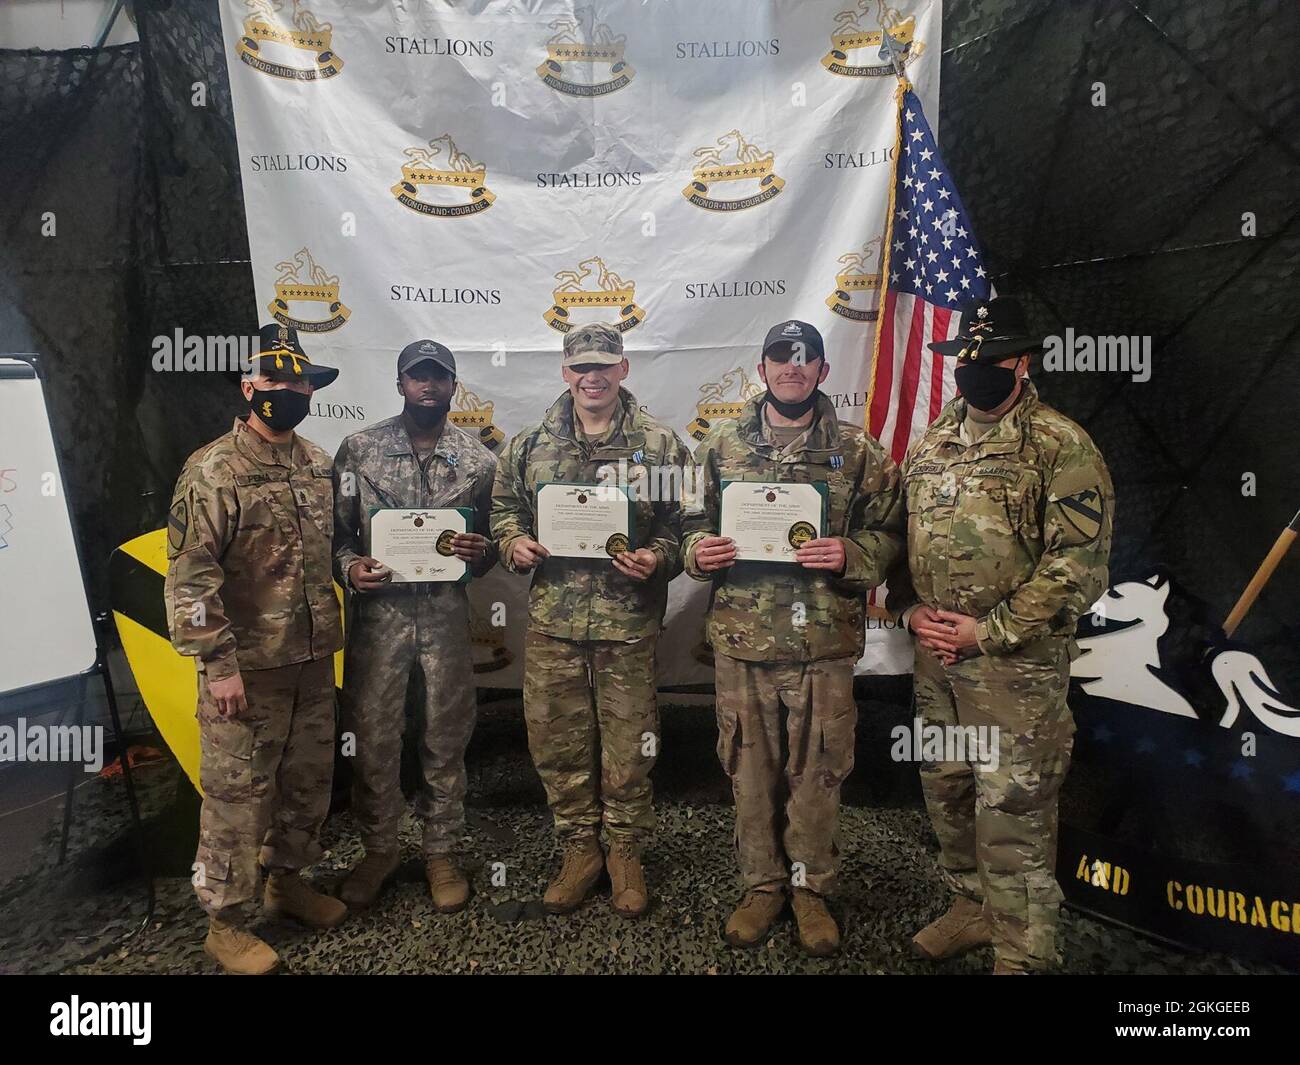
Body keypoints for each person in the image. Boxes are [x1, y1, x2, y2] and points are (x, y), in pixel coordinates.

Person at [892, 296, 1114, 974]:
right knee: (950, 788)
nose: (974, 371)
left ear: (1021, 363)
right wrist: (908, 610)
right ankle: (972, 906)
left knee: (1013, 807)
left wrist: (988, 631)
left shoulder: (1060, 445)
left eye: (991, 361)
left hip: (1014, 669)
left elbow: (1079, 568)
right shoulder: (933, 440)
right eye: (965, 360)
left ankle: (1023, 951)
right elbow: (903, 535)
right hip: (937, 662)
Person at [683, 319, 904, 956]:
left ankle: (810, 890)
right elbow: (689, 524)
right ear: (765, 368)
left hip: (822, 642)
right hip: (744, 640)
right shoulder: (721, 445)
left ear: (822, 372)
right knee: (749, 770)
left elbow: (890, 533)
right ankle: (761, 885)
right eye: (781, 359)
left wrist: (850, 553)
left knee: (819, 772)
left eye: (805, 360)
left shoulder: (858, 451)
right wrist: (703, 551)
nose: (793, 369)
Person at [490, 323, 692, 918]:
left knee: (631, 745)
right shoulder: (530, 444)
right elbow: (504, 511)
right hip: (554, 624)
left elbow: (688, 525)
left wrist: (659, 557)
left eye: (604, 365)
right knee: (557, 742)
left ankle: (626, 851)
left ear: (624, 369)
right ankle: (579, 848)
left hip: (626, 625)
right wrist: (514, 544)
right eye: (581, 367)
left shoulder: (657, 445)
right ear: (565, 372)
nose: (593, 377)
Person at [165, 323, 346, 975]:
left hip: (310, 659)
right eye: (273, 380)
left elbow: (333, 553)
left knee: (308, 782)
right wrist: (216, 664)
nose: (287, 390)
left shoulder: (318, 463)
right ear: (249, 386)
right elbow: (190, 574)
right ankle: (225, 921)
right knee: (239, 794)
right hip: (245, 669)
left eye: (297, 381)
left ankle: (286, 881)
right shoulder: (213, 469)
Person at [332, 339, 498, 912]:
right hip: (380, 620)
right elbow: (337, 539)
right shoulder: (358, 451)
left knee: (445, 734)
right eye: (416, 377)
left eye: (438, 378)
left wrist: (482, 551)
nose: (427, 386)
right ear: (400, 384)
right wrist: (352, 568)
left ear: (453, 387)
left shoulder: (478, 460)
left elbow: (489, 546)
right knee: (373, 735)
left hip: (446, 619)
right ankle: (378, 849)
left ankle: (441, 851)